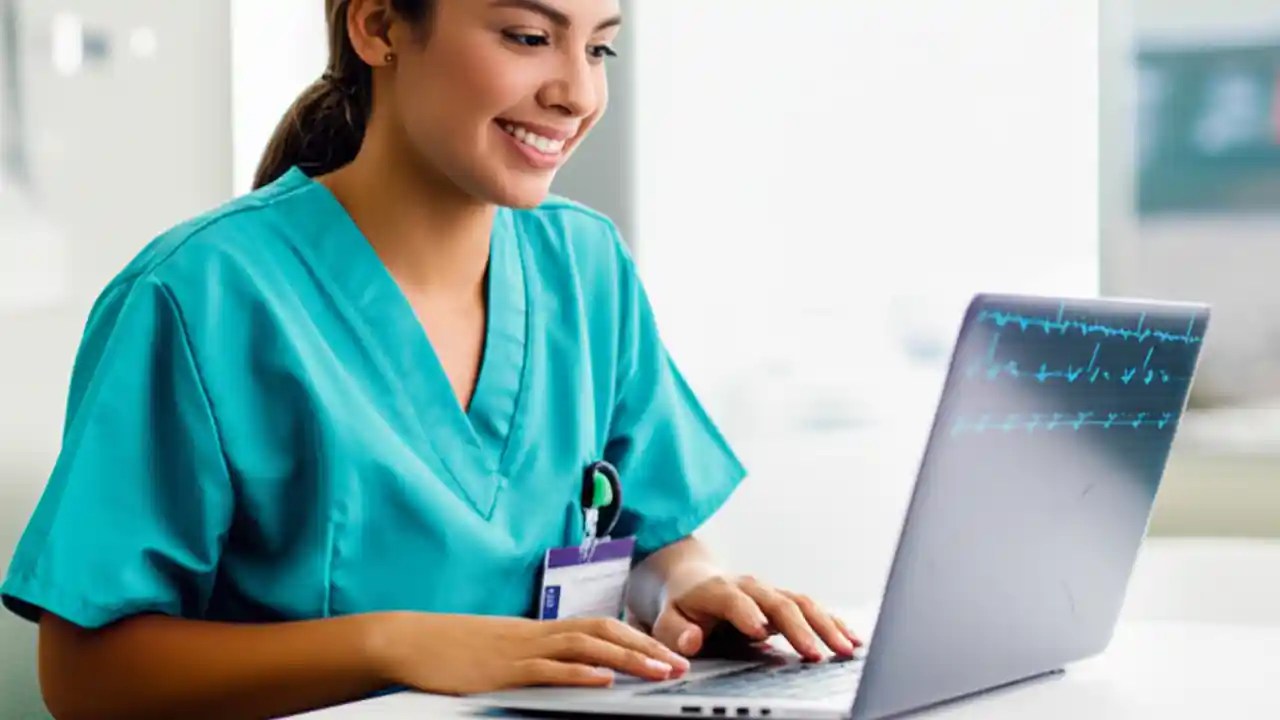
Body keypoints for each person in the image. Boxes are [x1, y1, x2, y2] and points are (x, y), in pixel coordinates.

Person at [0, 1, 860, 717]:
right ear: (377, 27)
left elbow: (651, 532)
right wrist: (397, 644)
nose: (575, 92)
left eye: (598, 46)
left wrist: (688, 586)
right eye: (528, 37)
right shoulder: (201, 296)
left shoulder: (586, 266)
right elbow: (85, 679)